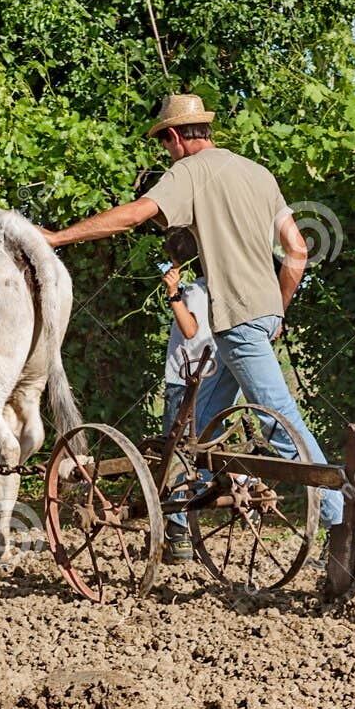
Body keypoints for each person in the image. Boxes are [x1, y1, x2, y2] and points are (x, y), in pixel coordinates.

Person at [38, 93, 346, 543]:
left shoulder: (189, 171)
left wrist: (59, 238)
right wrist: (277, 308)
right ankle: (178, 530)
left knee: (280, 422)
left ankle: (339, 524)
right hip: (254, 319)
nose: (167, 152)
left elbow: (134, 216)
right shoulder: (258, 174)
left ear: (176, 136)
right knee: (195, 429)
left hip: (237, 322)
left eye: (165, 143)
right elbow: (297, 251)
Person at [158, 227, 224, 562]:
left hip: (184, 382)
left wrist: (173, 294)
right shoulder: (221, 290)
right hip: (213, 380)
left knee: (176, 455)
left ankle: (178, 529)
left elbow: (190, 329)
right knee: (200, 451)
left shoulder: (195, 291)